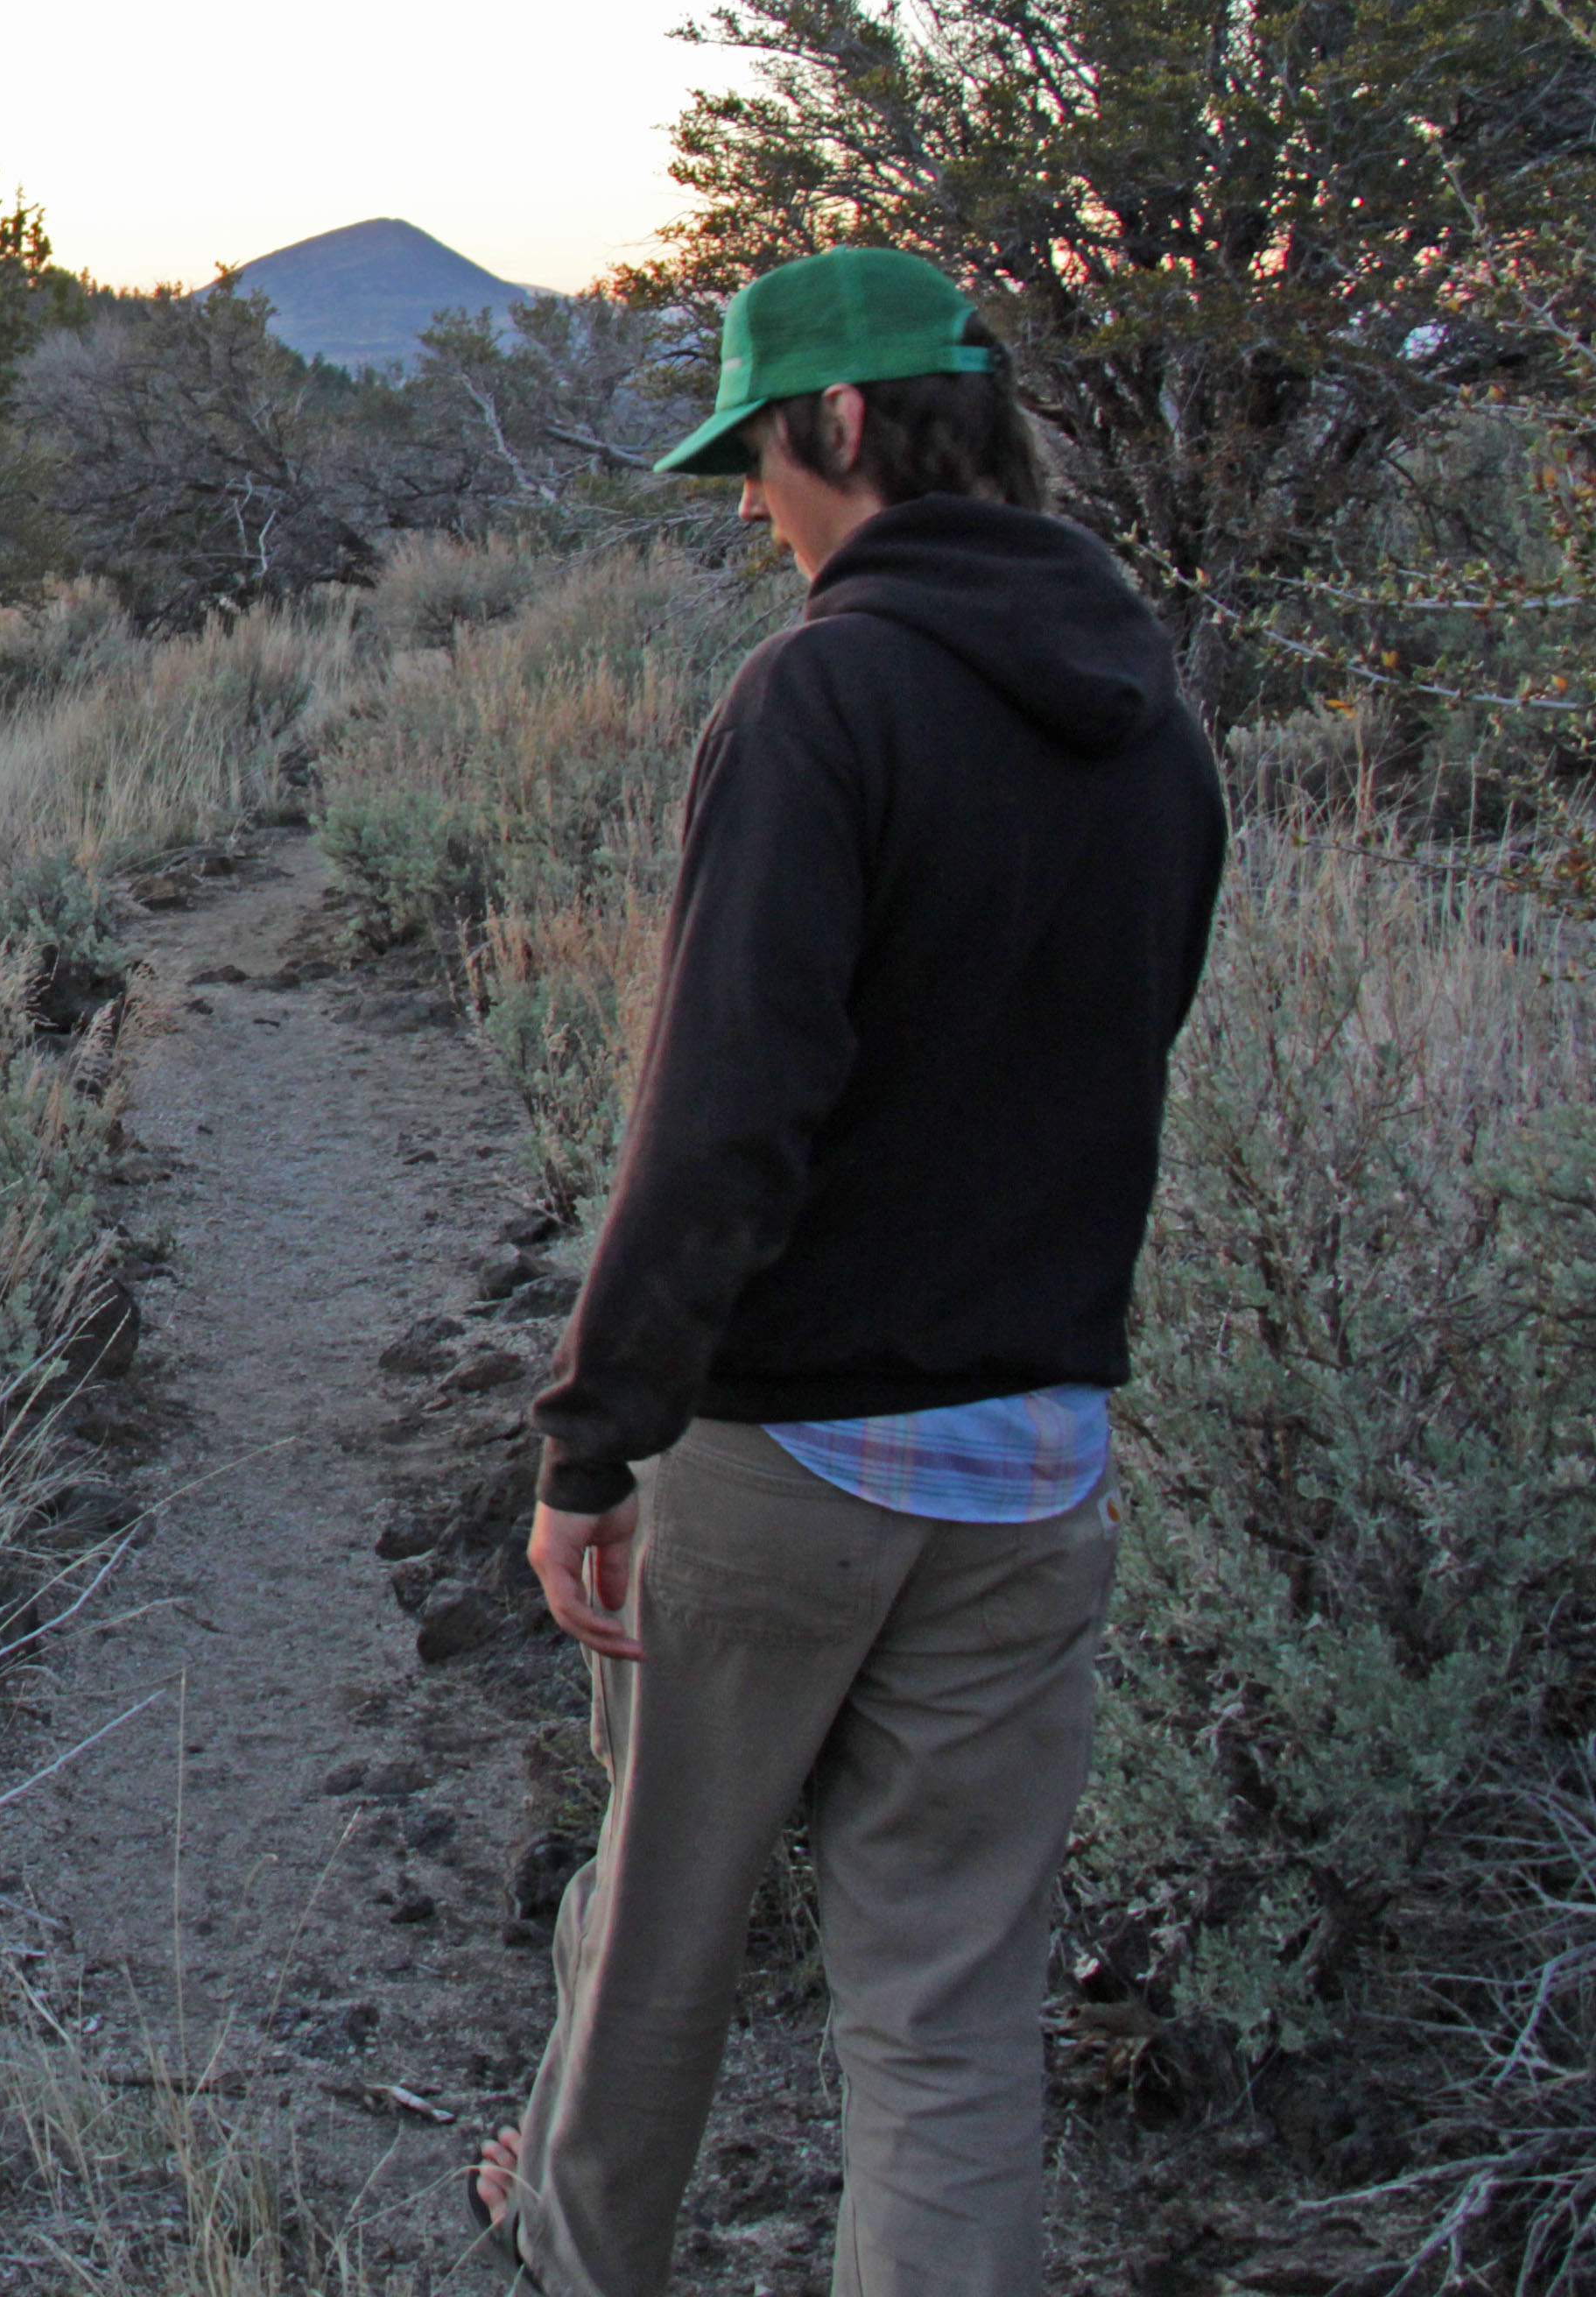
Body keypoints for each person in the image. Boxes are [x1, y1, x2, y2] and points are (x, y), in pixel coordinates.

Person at [462, 249, 1228, 2295]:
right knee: (951, 2009)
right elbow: (1123, 1047)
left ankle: (570, 2246)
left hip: (791, 1460)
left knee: (661, 1931)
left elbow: (723, 1119)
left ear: (853, 425)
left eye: (754, 455)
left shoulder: (823, 696)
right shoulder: (1148, 720)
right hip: (1038, 1465)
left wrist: (592, 1448)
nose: (742, 503)